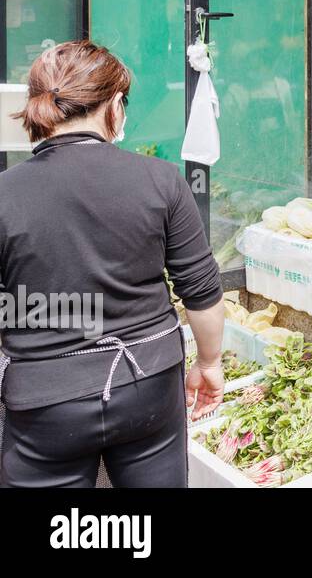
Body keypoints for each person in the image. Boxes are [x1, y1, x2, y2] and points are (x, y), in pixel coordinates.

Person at [0, 41, 226, 487]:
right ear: (113, 106)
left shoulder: (6, 192)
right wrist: (210, 361)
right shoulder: (160, 179)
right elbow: (200, 289)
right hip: (148, 386)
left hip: (45, 400)